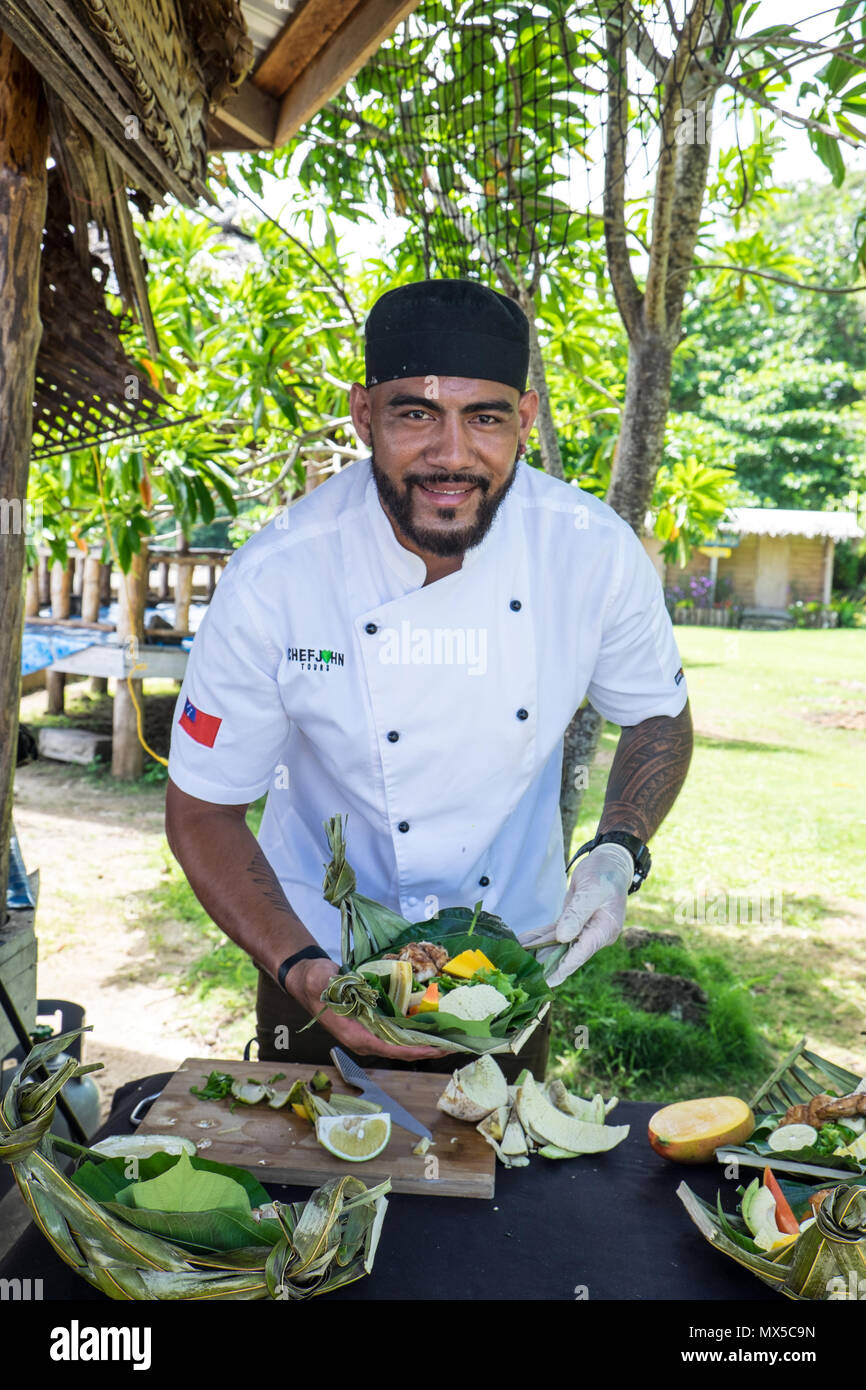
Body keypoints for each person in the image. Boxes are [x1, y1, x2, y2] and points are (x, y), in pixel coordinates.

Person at [165, 278, 692, 1084]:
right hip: (319, 963)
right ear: (363, 413)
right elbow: (202, 808)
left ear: (526, 419)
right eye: (416, 414)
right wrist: (304, 970)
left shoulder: (590, 552)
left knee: (502, 1198)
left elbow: (658, 714)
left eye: (484, 418)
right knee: (305, 1191)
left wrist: (618, 851)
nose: (451, 455)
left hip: (511, 967)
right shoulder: (278, 575)